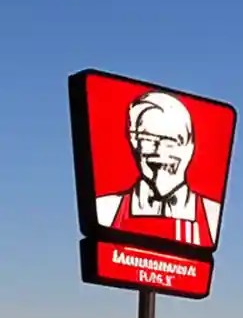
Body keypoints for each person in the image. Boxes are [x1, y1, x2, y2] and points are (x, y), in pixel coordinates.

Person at [95, 91, 222, 246]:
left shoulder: (213, 215)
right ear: (134, 143)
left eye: (172, 141)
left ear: (190, 148)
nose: (160, 151)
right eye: (148, 139)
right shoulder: (104, 210)